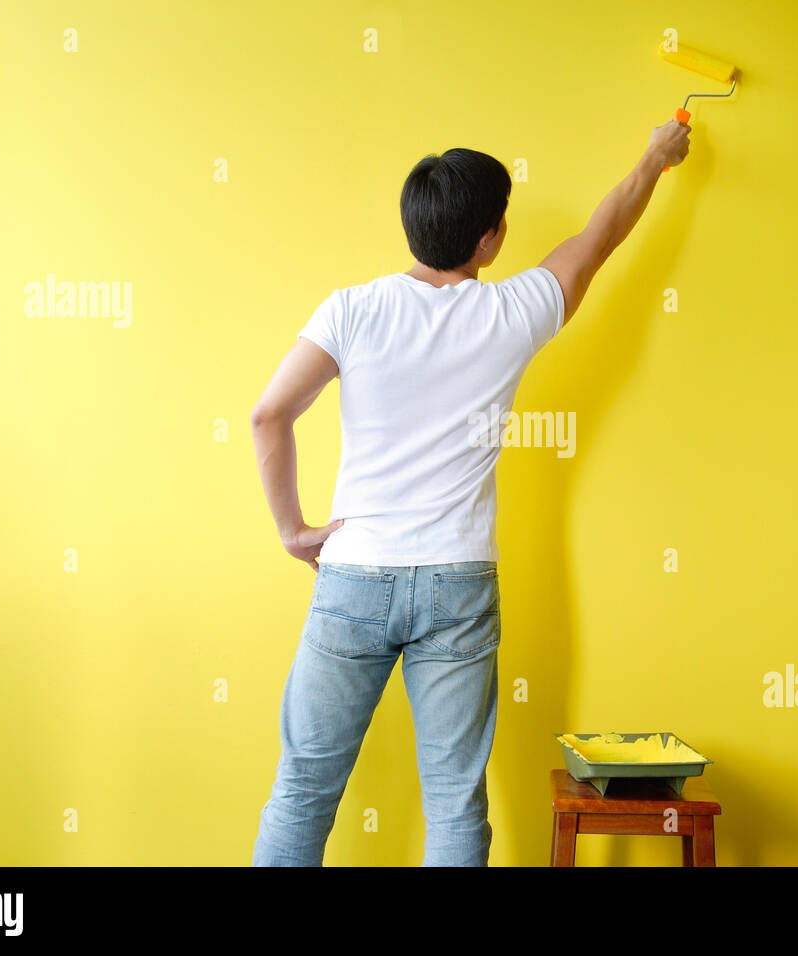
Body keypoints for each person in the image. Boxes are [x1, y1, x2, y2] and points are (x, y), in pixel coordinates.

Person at [249, 119, 692, 866]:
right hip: (459, 581)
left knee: (302, 789)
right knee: (455, 803)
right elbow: (605, 231)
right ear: (490, 239)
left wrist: (295, 530)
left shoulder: (351, 311)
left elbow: (269, 415)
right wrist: (657, 157)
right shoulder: (511, 313)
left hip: (354, 573)